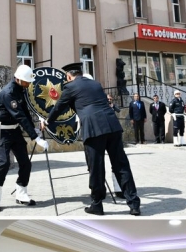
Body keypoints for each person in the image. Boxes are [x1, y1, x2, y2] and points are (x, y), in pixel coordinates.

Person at [43, 63, 141, 215]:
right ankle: (134, 204)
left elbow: (59, 107)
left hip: (94, 129)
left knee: (96, 168)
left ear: (69, 76)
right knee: (121, 165)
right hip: (112, 125)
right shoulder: (95, 84)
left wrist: (47, 121)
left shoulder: (70, 87)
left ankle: (97, 204)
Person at [0, 65, 48, 211]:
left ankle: (21, 193)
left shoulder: (20, 89)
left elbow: (25, 111)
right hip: (1, 132)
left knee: (25, 163)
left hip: (14, 130)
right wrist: (35, 138)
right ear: (19, 79)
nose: (29, 84)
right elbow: (19, 115)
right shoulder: (8, 93)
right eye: (27, 81)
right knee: (3, 163)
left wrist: (33, 128)